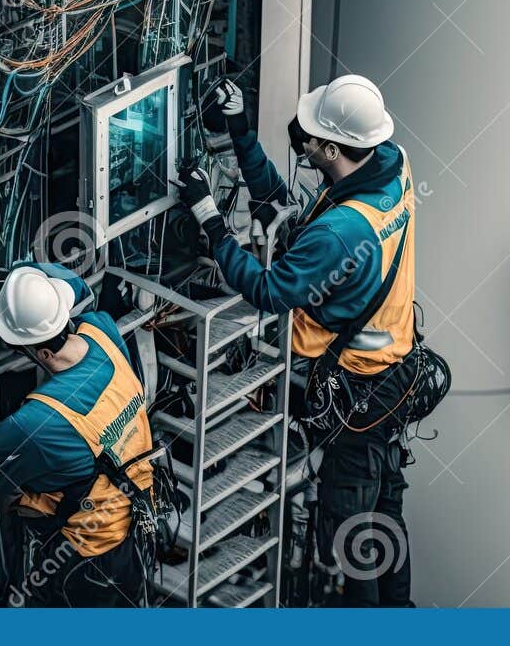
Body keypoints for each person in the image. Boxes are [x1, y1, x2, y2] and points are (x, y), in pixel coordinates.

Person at [177, 74, 417, 607]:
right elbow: (290, 217)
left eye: (309, 137)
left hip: (356, 392)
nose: (300, 141)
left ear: (332, 148)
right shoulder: (391, 167)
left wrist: (208, 220)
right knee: (384, 519)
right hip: (394, 372)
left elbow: (268, 289)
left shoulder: (342, 233)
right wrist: (240, 130)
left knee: (353, 537)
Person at [0, 261, 157, 607]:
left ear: (43, 354)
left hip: (85, 558)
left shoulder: (38, 422)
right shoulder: (101, 329)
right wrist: (37, 292)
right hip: (135, 526)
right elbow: (78, 287)